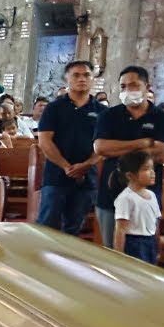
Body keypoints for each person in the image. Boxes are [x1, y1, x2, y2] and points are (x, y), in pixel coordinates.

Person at [92, 66, 164, 247]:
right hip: (111, 193)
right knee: (112, 251)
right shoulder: (108, 116)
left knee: (142, 251)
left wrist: (118, 148)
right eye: (123, 86)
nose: (128, 90)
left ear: (147, 86)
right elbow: (101, 148)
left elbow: (161, 154)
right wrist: (143, 143)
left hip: (147, 195)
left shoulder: (163, 118)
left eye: (133, 85)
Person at [36, 61, 104, 235]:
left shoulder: (103, 111)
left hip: (86, 178)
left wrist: (87, 164)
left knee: (73, 229)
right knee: (47, 226)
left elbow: (104, 144)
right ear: (67, 79)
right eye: (76, 75)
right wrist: (66, 167)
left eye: (87, 75)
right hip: (56, 176)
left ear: (93, 79)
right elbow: (45, 142)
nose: (82, 79)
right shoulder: (54, 108)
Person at [111, 151, 161, 264]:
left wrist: (158, 246)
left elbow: (156, 224)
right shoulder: (125, 198)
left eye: (152, 168)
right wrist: (118, 257)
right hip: (134, 244)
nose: (152, 173)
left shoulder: (152, 195)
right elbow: (120, 229)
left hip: (150, 241)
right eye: (146, 169)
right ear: (130, 175)